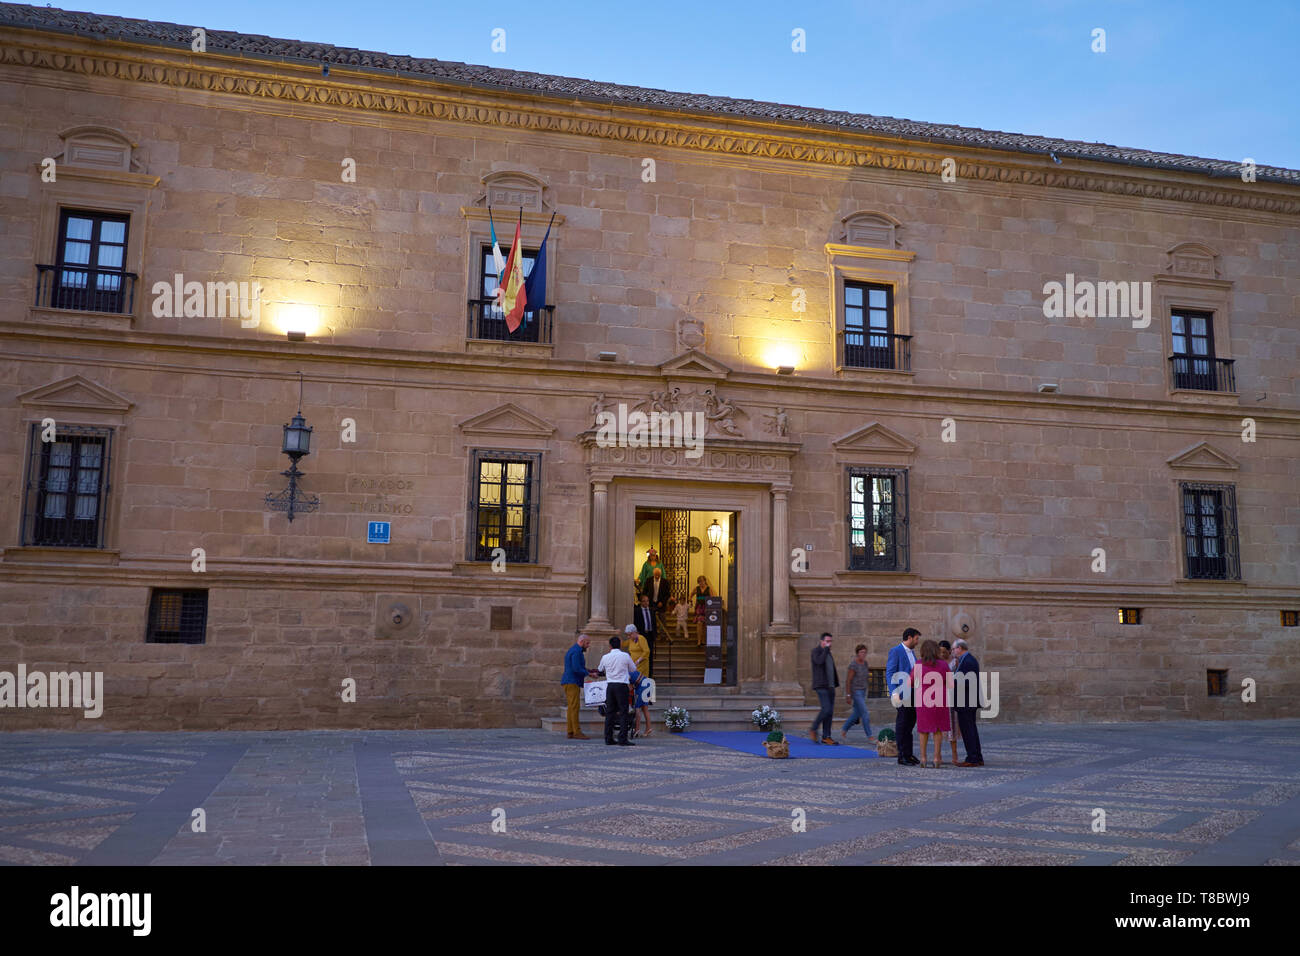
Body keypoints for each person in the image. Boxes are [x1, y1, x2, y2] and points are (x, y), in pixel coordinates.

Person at [886, 627, 922, 766]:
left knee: (910, 725)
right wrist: (894, 693)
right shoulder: (896, 651)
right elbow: (890, 673)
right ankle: (902, 755)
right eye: (916, 638)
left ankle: (909, 753)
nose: (918, 641)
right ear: (909, 637)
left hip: (914, 694)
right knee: (902, 725)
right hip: (902, 694)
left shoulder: (913, 653)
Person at [914, 640, 950, 767]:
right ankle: (936, 758)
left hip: (923, 700)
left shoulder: (918, 664)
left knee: (923, 730)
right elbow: (951, 683)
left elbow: (911, 681)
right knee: (938, 730)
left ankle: (923, 758)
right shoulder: (943, 665)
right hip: (940, 701)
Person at [597, 635, 635, 746]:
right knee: (623, 712)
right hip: (622, 685)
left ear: (610, 646)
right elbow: (633, 669)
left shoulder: (605, 657)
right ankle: (622, 738)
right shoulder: (625, 656)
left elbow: (600, 669)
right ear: (621, 644)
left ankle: (608, 738)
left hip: (610, 685)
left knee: (610, 712)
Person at [952, 638, 985, 767]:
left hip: (966, 701)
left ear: (960, 648)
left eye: (953, 649)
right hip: (966, 701)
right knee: (971, 729)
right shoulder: (965, 660)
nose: (952, 651)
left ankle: (972, 758)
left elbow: (968, 681)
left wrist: (952, 681)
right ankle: (977, 756)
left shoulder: (968, 661)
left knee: (968, 730)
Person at [561, 633, 596, 739]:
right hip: (572, 682)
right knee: (575, 707)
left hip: (569, 681)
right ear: (581, 641)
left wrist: (589, 670)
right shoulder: (577, 652)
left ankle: (570, 731)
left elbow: (578, 666)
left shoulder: (574, 650)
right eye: (587, 643)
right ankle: (577, 732)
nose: (588, 645)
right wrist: (589, 674)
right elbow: (576, 668)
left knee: (571, 707)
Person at [808, 632, 840, 745]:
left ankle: (826, 736)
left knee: (830, 712)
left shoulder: (828, 653)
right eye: (827, 641)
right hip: (821, 685)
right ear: (821, 642)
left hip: (830, 686)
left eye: (830, 641)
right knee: (826, 709)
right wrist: (826, 650)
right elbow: (819, 662)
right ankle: (813, 728)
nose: (829, 644)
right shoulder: (816, 651)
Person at [839, 643, 873, 743]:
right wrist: (848, 695)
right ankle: (870, 736)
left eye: (865, 652)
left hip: (863, 691)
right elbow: (848, 681)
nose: (863, 654)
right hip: (856, 692)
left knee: (856, 714)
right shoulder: (853, 665)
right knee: (865, 713)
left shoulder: (865, 663)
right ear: (857, 653)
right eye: (861, 652)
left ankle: (844, 730)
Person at [938, 640, 960, 765]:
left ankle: (954, 754)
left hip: (951, 696)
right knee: (939, 727)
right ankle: (938, 754)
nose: (942, 654)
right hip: (939, 696)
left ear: (949, 651)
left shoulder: (955, 662)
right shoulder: (936, 662)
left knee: (952, 725)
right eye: (940, 652)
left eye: (944, 652)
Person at [632, 593, 657, 675]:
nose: (646, 603)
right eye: (644, 601)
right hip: (641, 635)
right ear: (641, 602)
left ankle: (650, 675)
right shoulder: (637, 611)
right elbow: (635, 623)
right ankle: (641, 674)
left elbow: (654, 624)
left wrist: (655, 635)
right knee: (642, 655)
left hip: (650, 636)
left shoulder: (652, 611)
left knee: (649, 656)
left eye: (647, 601)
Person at [692, 575, 712, 645]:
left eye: (702, 581)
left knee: (704, 625)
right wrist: (689, 599)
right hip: (699, 608)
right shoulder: (697, 588)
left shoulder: (709, 589)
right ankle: (699, 641)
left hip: (707, 608)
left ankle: (703, 640)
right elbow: (691, 594)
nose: (701, 583)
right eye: (699, 582)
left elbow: (713, 597)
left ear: (705, 581)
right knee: (699, 623)